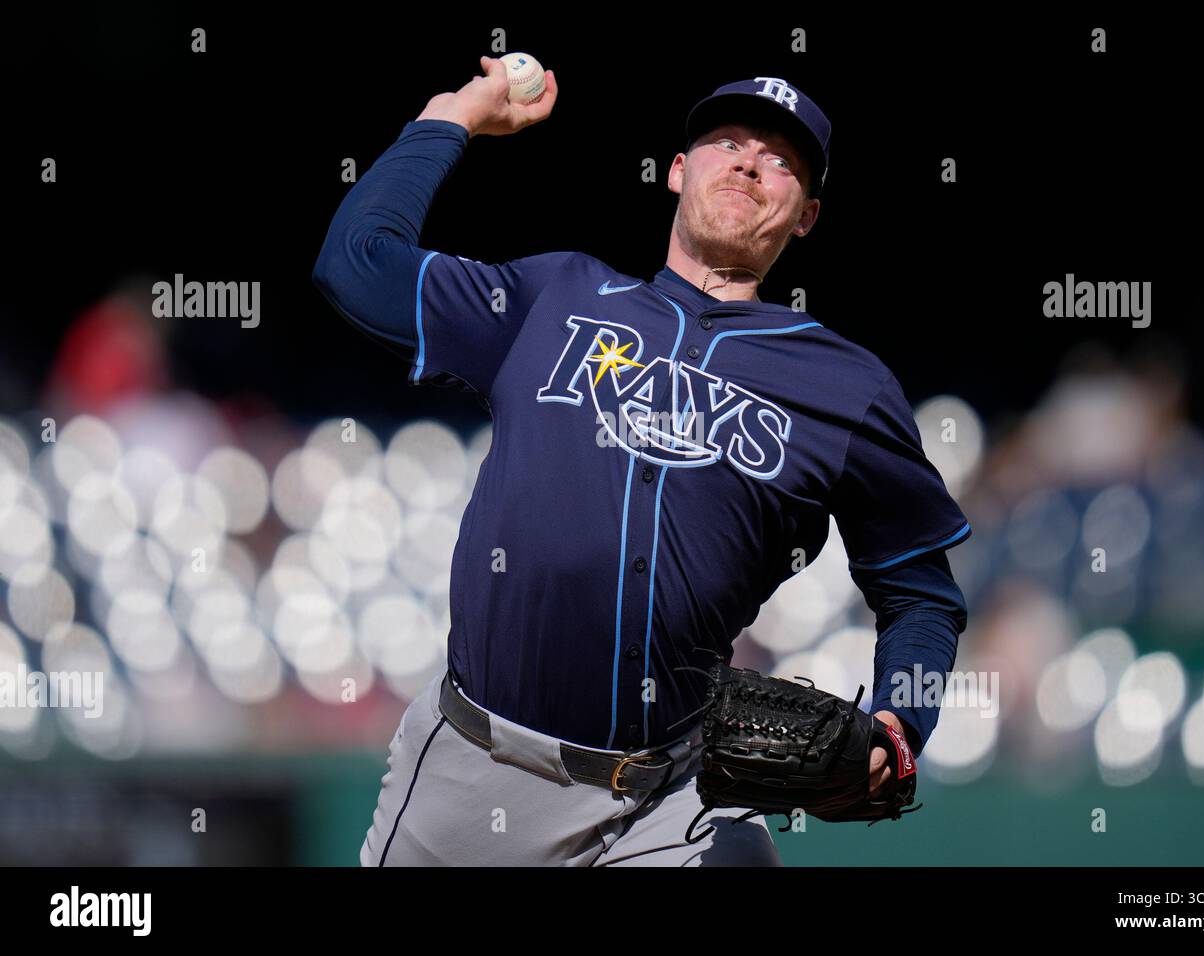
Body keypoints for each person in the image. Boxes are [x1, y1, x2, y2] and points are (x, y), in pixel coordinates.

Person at [312, 58, 970, 866]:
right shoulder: (552, 297)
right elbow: (356, 264)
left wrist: (906, 720)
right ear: (679, 172)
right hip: (468, 774)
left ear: (806, 216)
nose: (750, 163)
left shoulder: (847, 389)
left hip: (668, 802)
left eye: (781, 160)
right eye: (728, 142)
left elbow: (923, 595)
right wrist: (451, 117)